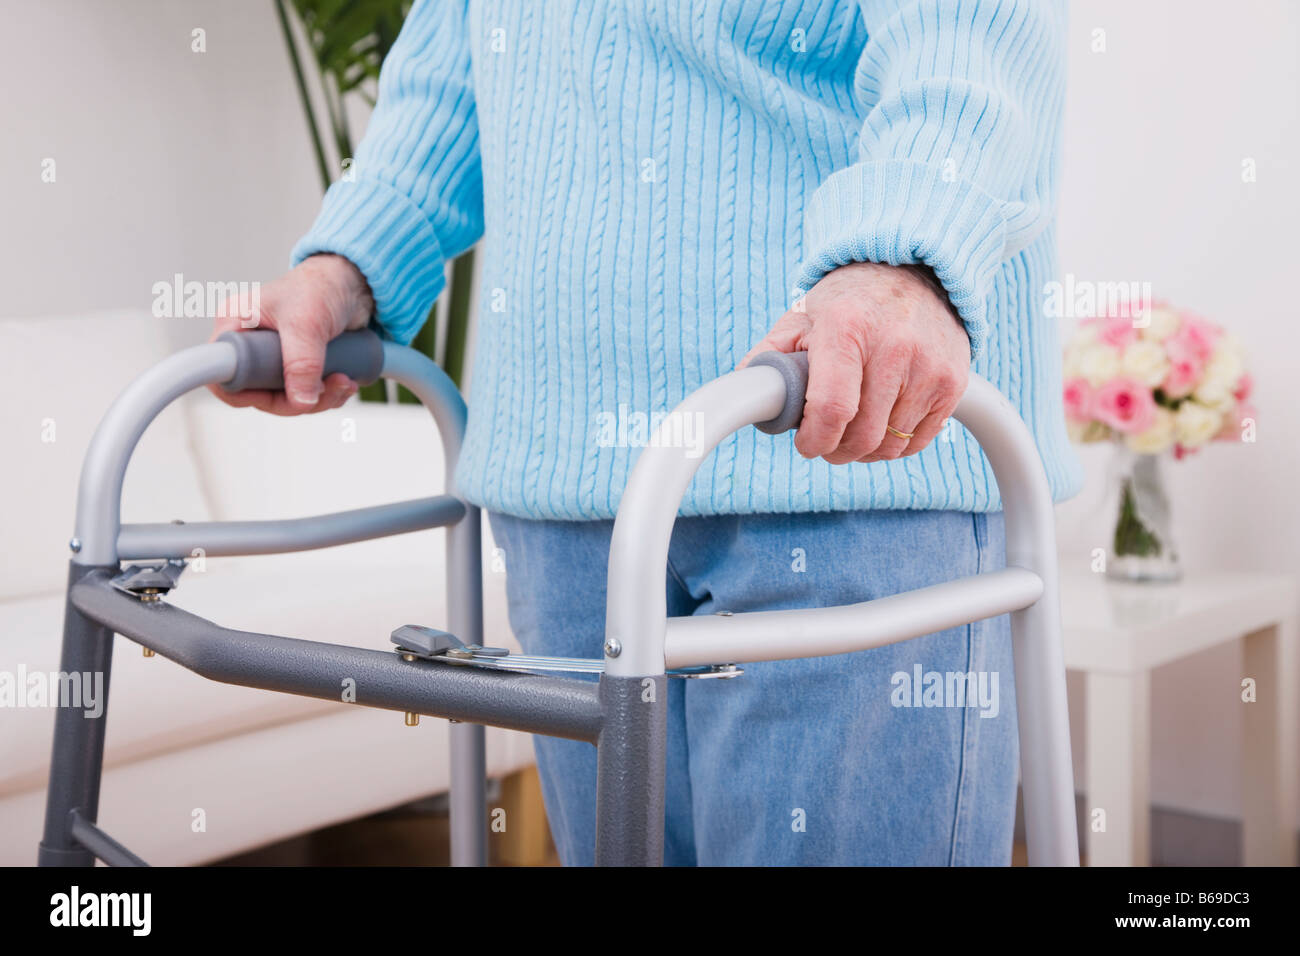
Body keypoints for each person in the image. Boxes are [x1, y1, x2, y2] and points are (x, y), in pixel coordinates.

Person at [211, 0, 1080, 865]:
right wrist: (348, 264)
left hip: (848, 455)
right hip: (570, 491)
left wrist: (905, 244)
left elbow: (971, 38)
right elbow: (456, 70)